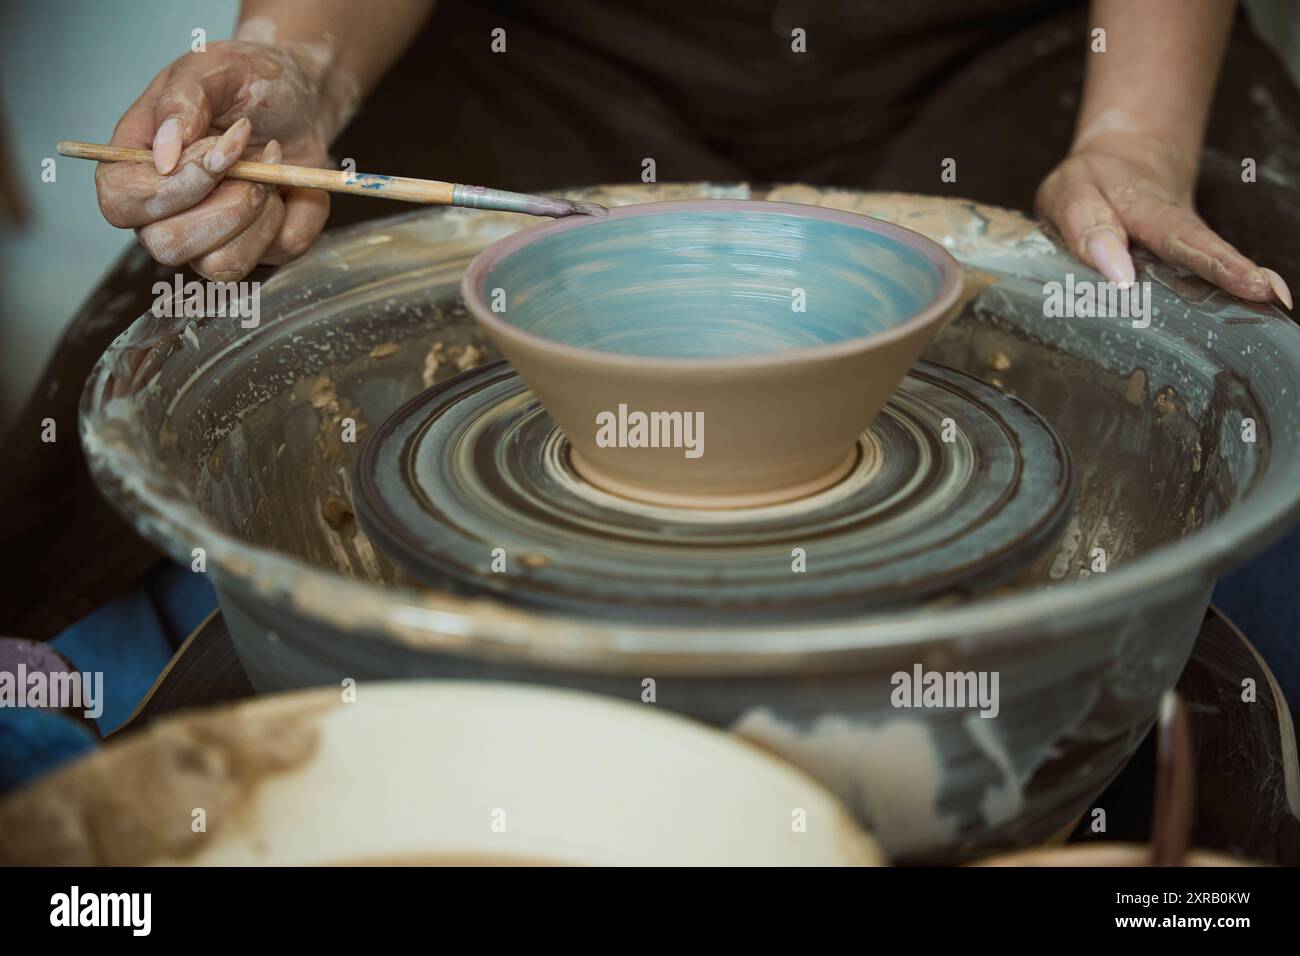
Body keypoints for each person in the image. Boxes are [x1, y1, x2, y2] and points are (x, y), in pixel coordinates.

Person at [95, 0, 1292, 307]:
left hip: (1009, 56)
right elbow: (303, 62)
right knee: (234, 270)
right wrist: (301, 60)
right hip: (548, 58)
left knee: (1192, 289)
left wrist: (1133, 135)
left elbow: (1137, 135)